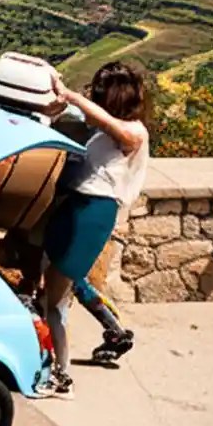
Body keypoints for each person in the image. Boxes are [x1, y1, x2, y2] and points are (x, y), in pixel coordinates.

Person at [37, 62, 150, 400]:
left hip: (91, 214)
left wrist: (70, 95)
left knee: (56, 300)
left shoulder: (134, 132)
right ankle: (55, 365)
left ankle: (60, 378)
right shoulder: (104, 135)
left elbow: (116, 129)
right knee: (52, 291)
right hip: (74, 209)